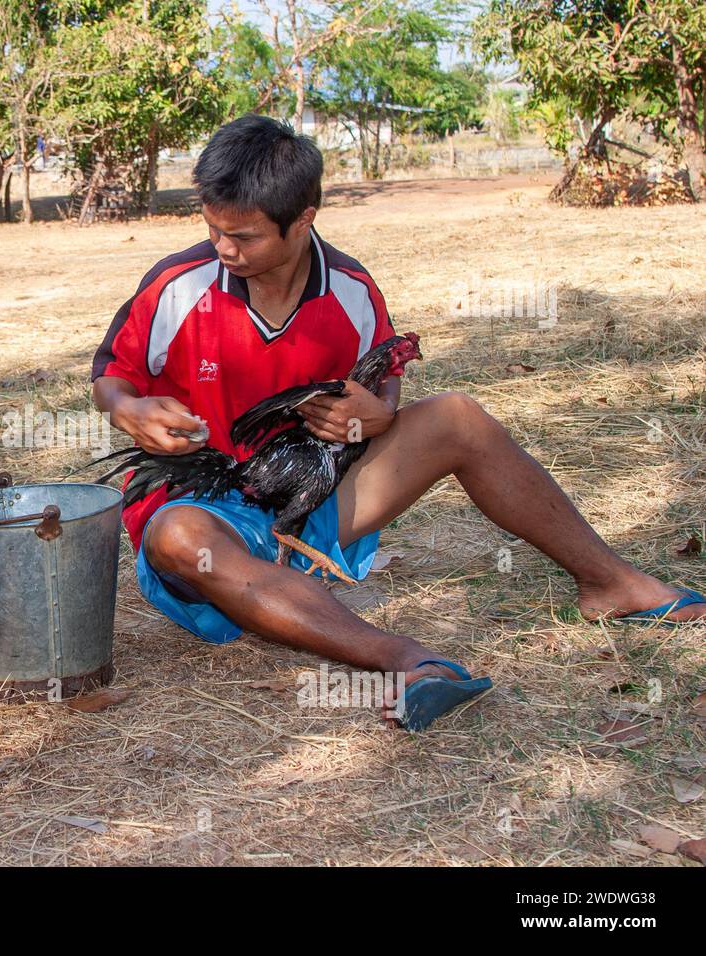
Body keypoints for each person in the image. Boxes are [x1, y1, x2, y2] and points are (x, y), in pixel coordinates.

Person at [91, 115, 703, 730]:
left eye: (243, 236)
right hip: (204, 512)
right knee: (177, 538)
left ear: (303, 219)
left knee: (457, 418)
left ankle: (611, 584)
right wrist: (128, 408)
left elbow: (382, 381)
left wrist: (377, 414)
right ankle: (408, 660)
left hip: (308, 504)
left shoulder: (350, 289)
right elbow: (110, 378)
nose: (224, 248)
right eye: (213, 228)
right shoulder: (178, 285)